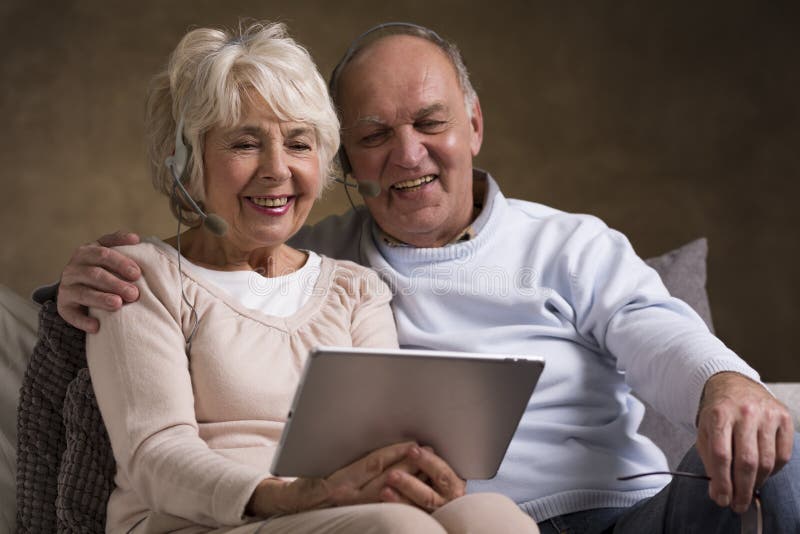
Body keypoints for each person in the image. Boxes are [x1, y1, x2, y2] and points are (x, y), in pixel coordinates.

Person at [55, 22, 798, 533]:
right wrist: (73, 291)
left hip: (627, 515)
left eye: (430, 124)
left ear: (473, 124)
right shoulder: (326, 253)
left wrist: (722, 381)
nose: (407, 156)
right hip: (412, 517)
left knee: (789, 456)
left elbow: (654, 331)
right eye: (375, 136)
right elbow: (215, 276)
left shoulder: (564, 244)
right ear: (348, 159)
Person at [78, 21, 538, 534]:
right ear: (186, 163)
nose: (277, 170)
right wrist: (291, 495)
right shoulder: (139, 278)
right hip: (197, 518)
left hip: (336, 510)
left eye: (299, 144)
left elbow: (383, 440)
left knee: (495, 517)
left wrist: (421, 474)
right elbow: (155, 456)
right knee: (397, 530)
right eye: (244, 143)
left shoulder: (355, 288)